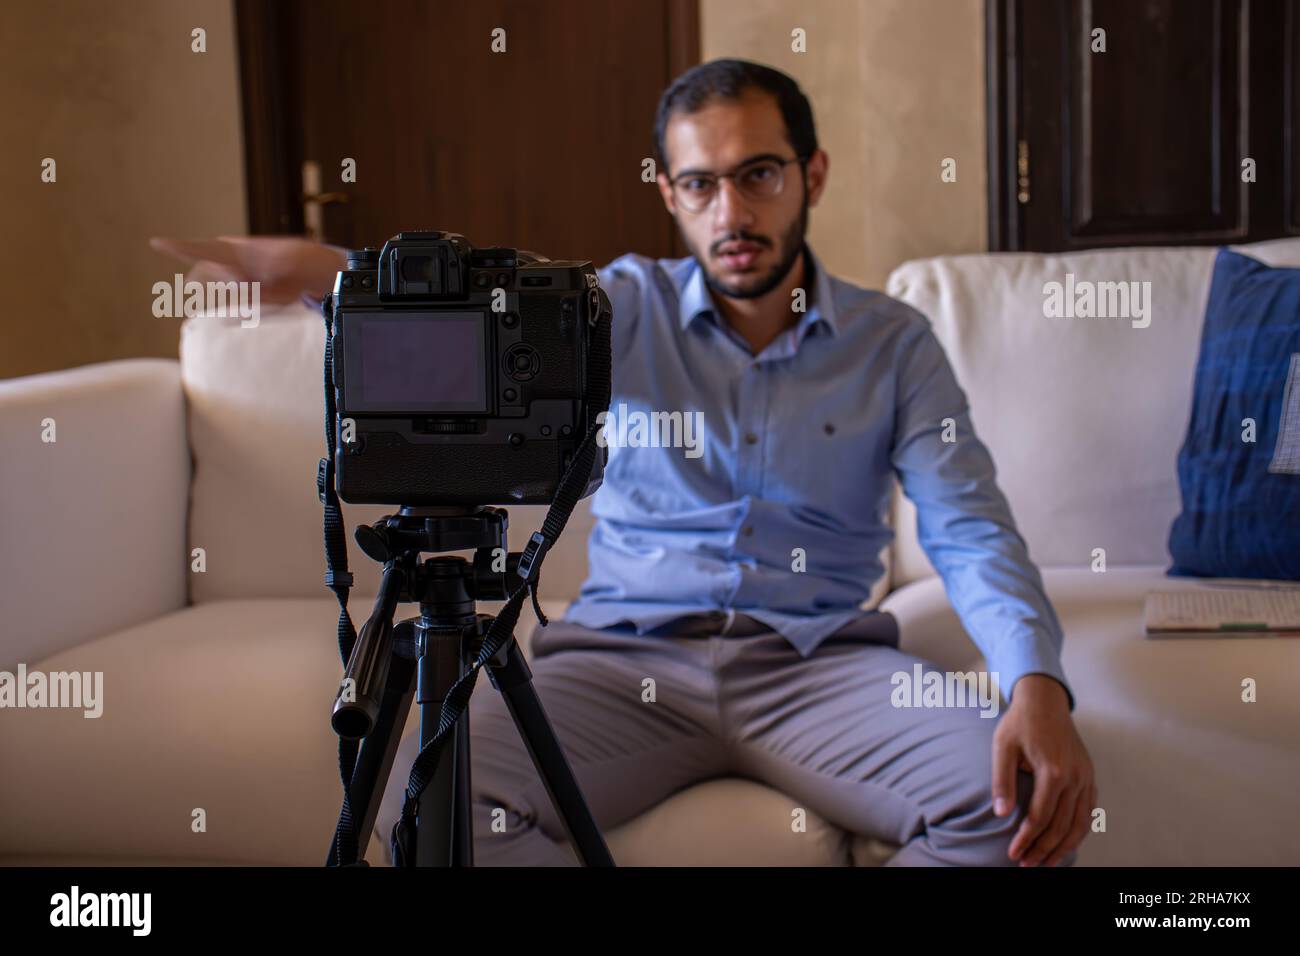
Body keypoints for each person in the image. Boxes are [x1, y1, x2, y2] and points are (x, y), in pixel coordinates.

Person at [155, 58, 1095, 867]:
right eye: (700, 183)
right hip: (622, 662)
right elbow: (495, 326)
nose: (730, 211)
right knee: (427, 798)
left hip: (814, 663)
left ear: (812, 173)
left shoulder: (895, 345)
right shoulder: (621, 309)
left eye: (759, 174)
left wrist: (1035, 683)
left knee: (1016, 803)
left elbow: (968, 526)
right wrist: (333, 275)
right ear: (670, 194)